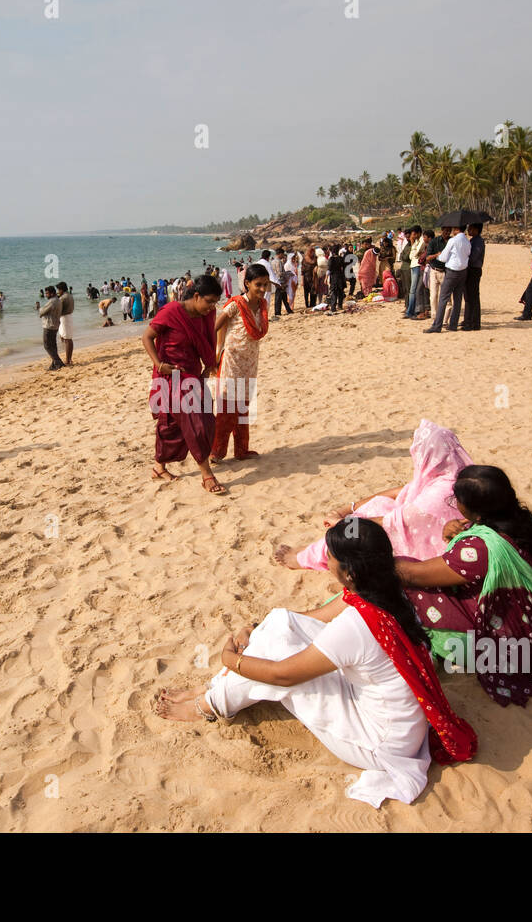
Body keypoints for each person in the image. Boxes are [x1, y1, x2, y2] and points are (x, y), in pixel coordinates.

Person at [155, 517, 477, 808]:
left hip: (381, 741)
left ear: (348, 572)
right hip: (393, 716)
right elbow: (308, 620)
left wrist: (233, 659)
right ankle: (215, 688)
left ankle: (210, 703)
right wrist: (256, 632)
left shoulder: (357, 624)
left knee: (275, 660)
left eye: (331, 557)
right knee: (280, 622)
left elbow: (283, 676)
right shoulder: (383, 587)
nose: (326, 561)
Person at [394, 465, 532, 706]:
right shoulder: (523, 522)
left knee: (403, 577)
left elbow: (413, 575)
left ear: (478, 514)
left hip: (502, 643)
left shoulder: (481, 548)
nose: (455, 504)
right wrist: (452, 535)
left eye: (456, 500)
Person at [276, 421, 473, 571]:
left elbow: (388, 522)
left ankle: (303, 559)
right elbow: (399, 491)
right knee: (378, 504)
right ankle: (315, 549)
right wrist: (348, 508)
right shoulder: (454, 476)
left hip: (419, 560)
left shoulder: (438, 495)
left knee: (352, 530)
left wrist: (343, 523)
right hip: (430, 541)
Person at [142, 275, 225, 494]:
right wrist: (159, 365)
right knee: (195, 420)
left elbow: (208, 340)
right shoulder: (171, 312)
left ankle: (159, 467)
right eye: (208, 301)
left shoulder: (205, 314)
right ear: (196, 296)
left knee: (175, 424)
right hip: (172, 376)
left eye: (214, 303)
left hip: (193, 373)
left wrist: (209, 364)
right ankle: (206, 473)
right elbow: (147, 337)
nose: (211, 307)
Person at [212, 264, 270, 462]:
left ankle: (241, 450)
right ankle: (216, 452)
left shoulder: (263, 306)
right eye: (258, 285)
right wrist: (214, 352)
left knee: (243, 408)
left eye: (265, 284)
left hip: (250, 363)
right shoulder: (236, 304)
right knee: (228, 409)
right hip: (232, 362)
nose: (262, 289)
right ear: (247, 284)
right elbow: (216, 326)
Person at [427, 225, 470, 333]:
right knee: (458, 299)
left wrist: (438, 256)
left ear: (456, 229)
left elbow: (443, 258)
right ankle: (453, 325)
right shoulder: (467, 241)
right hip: (463, 271)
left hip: (452, 271)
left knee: (443, 298)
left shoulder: (453, 241)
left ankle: (437, 325)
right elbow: (468, 254)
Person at [460, 223, 485, 331]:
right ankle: (469, 320)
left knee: (472, 297)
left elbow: (474, 257)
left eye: (470, 228)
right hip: (472, 269)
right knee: (469, 297)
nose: (468, 230)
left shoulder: (478, 242)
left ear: (476, 229)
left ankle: (473, 323)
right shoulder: (474, 240)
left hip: (473, 270)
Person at [425, 227, 449, 321]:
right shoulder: (434, 242)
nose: (447, 232)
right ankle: (435, 318)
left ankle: (445, 320)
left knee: (447, 297)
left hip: (446, 272)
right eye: (446, 230)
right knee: (433, 296)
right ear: (442, 230)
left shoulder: (451, 242)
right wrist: (437, 255)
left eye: (449, 230)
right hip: (434, 271)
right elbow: (428, 257)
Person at [38, 286, 64, 370]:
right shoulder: (58, 300)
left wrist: (39, 308)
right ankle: (54, 364)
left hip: (49, 325)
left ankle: (58, 362)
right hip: (55, 325)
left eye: (47, 293)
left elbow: (41, 312)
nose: (46, 295)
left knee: (47, 346)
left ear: (52, 293)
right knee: (53, 345)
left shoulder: (52, 301)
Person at [57, 281, 76, 365]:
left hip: (64, 318)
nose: (58, 291)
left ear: (61, 289)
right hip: (68, 316)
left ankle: (68, 360)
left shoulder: (63, 298)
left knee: (67, 339)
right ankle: (68, 358)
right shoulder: (69, 295)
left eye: (58, 290)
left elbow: (57, 309)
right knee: (65, 337)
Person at [327, 245, 346, 313]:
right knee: (340, 292)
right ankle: (340, 306)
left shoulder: (331, 259)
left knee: (334, 292)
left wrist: (326, 278)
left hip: (334, 277)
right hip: (340, 277)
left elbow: (329, 270)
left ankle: (333, 307)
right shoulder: (341, 258)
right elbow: (343, 268)